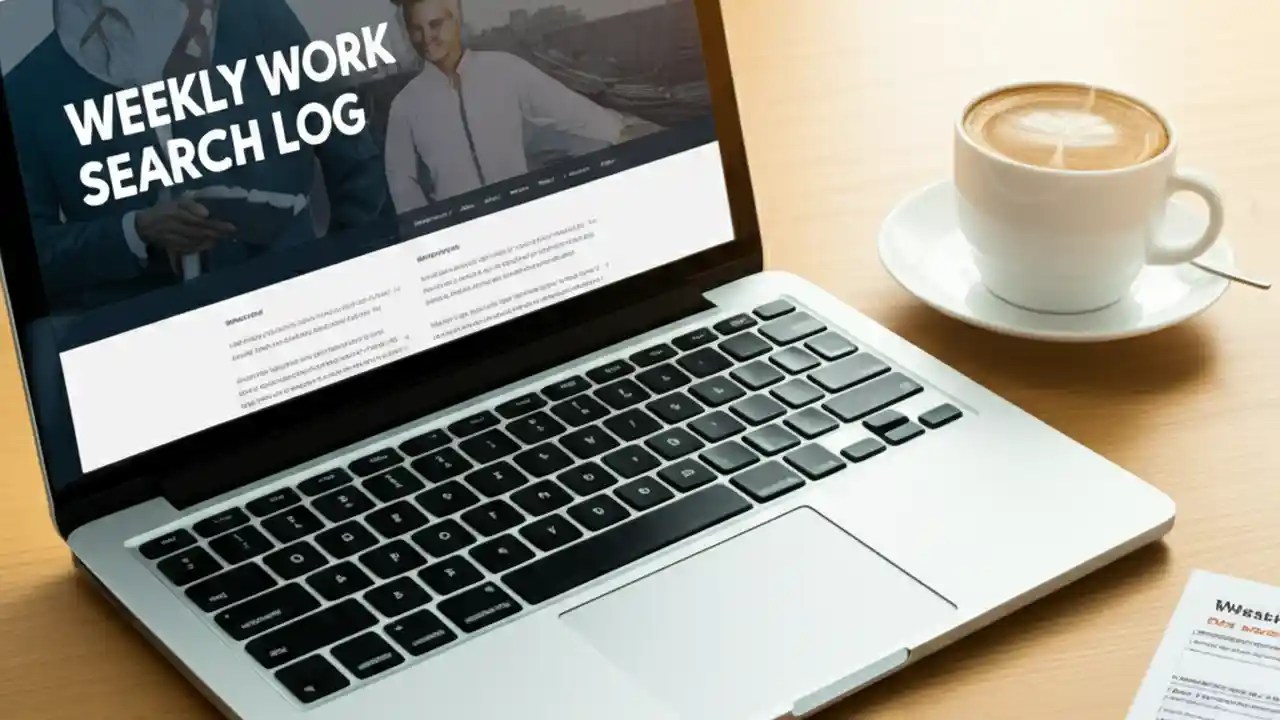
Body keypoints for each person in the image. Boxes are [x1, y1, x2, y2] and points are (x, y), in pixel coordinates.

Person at [4, 0, 389, 313]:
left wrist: (344, 275)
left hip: (293, 317)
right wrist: (133, 233)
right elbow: (34, 258)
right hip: (153, 358)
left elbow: (352, 153)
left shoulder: (257, 15)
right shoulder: (24, 91)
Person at [383, 0, 652, 211]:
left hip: (522, 220)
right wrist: (433, 233)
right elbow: (402, 183)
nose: (426, 37)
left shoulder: (505, 70)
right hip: (464, 239)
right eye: (415, 29)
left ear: (456, 18)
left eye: (435, 24)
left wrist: (630, 132)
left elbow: (573, 112)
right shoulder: (405, 106)